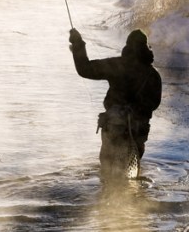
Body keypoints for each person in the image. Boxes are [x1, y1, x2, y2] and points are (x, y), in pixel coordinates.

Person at [69, 28, 162, 180]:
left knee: (108, 170)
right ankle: (132, 198)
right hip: (138, 130)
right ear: (146, 48)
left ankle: (108, 196)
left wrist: (77, 43)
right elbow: (154, 103)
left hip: (114, 126)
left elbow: (84, 69)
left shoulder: (116, 65)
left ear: (127, 46)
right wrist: (135, 111)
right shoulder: (153, 75)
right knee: (129, 172)